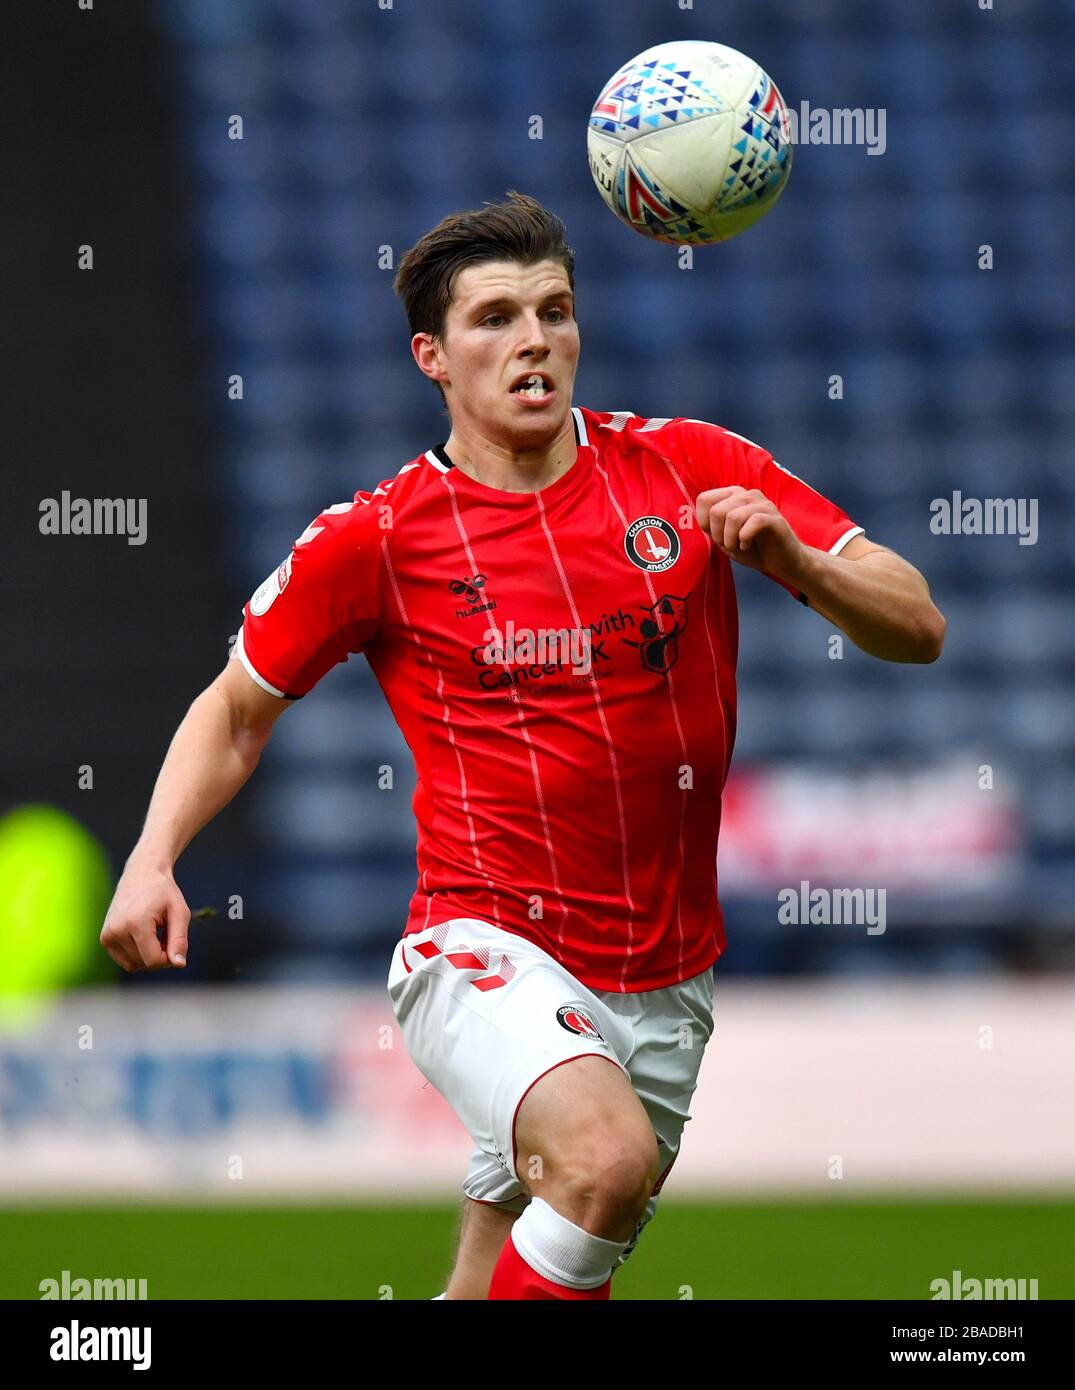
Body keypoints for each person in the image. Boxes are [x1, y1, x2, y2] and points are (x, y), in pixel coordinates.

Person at [100, 191, 945, 1300]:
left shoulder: (684, 466)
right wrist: (154, 857)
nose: (534, 338)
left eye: (554, 309)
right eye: (494, 318)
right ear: (433, 358)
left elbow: (919, 626)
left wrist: (805, 561)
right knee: (603, 1167)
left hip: (663, 974)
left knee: (515, 1255)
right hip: (481, 942)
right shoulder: (381, 538)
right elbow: (235, 708)